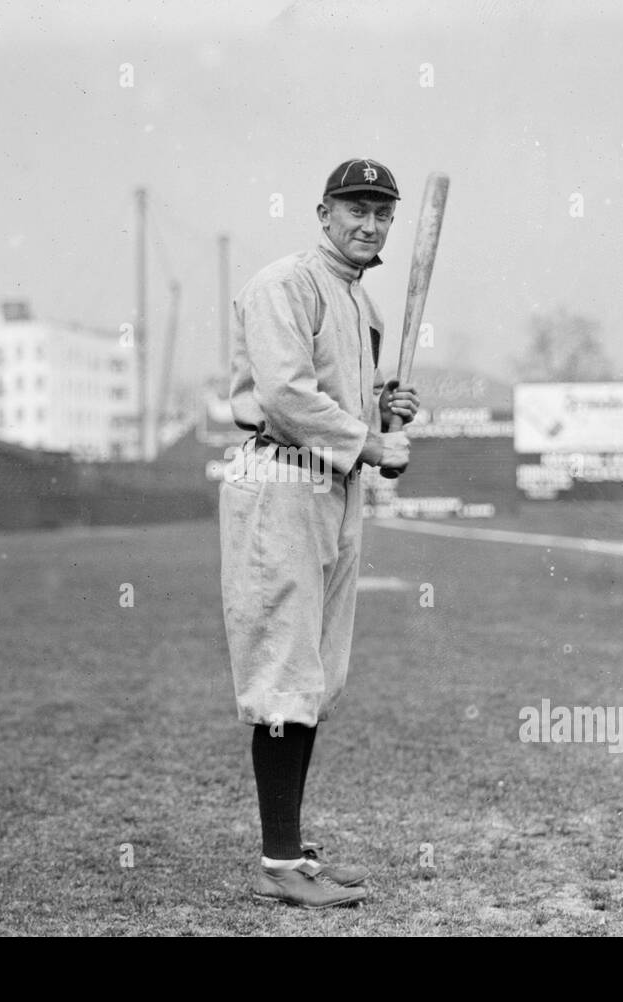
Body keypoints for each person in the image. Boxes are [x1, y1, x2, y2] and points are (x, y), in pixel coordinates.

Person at [220, 158, 420, 909]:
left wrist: (384, 411)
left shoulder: (359, 305)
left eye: (381, 213)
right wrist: (370, 443)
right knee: (283, 667)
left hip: (330, 486)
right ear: (323, 212)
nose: (368, 224)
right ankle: (279, 865)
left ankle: (291, 850)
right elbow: (287, 397)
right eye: (354, 209)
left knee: (315, 670)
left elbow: (345, 410)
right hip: (280, 478)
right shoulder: (286, 284)